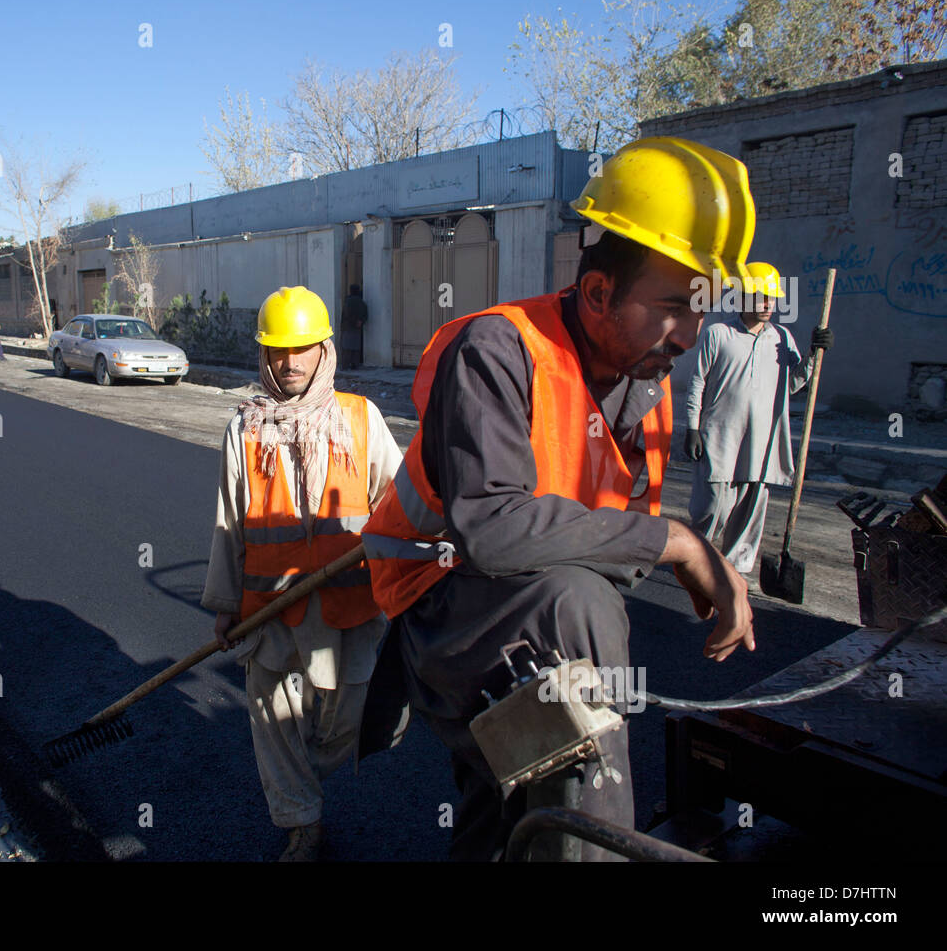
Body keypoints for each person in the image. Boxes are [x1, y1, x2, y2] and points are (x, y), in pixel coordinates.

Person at [358, 137, 759, 862]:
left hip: (522, 618)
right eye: (674, 306)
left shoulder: (646, 386)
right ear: (600, 291)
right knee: (577, 610)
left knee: (513, 800)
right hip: (440, 603)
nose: (692, 335)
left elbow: (605, 542)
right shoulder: (497, 351)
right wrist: (681, 543)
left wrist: (655, 546)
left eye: (701, 309)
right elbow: (495, 530)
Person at [201, 285, 402, 862]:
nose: (289, 363)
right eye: (277, 351)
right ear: (263, 355)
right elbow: (229, 522)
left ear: (324, 350)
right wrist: (224, 606)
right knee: (273, 719)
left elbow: (401, 501)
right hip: (270, 613)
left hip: (349, 610)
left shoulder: (360, 420)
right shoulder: (244, 429)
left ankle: (304, 787)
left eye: (302, 349)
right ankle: (302, 823)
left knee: (345, 722)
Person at [685, 262, 834, 575]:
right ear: (743, 297)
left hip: (761, 440)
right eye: (762, 297)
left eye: (772, 298)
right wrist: (693, 428)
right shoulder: (718, 334)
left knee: (751, 507)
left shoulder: (781, 338)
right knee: (712, 505)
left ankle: (734, 571)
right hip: (720, 436)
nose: (769, 304)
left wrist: (813, 354)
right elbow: (697, 382)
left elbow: (792, 383)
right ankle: (695, 558)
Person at [340, 284, 367, 369]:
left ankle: (345, 366)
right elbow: (365, 314)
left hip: (347, 327)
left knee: (346, 348)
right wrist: (360, 322)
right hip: (357, 328)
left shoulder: (347, 301)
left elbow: (345, 314)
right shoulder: (362, 302)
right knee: (356, 348)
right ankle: (355, 365)